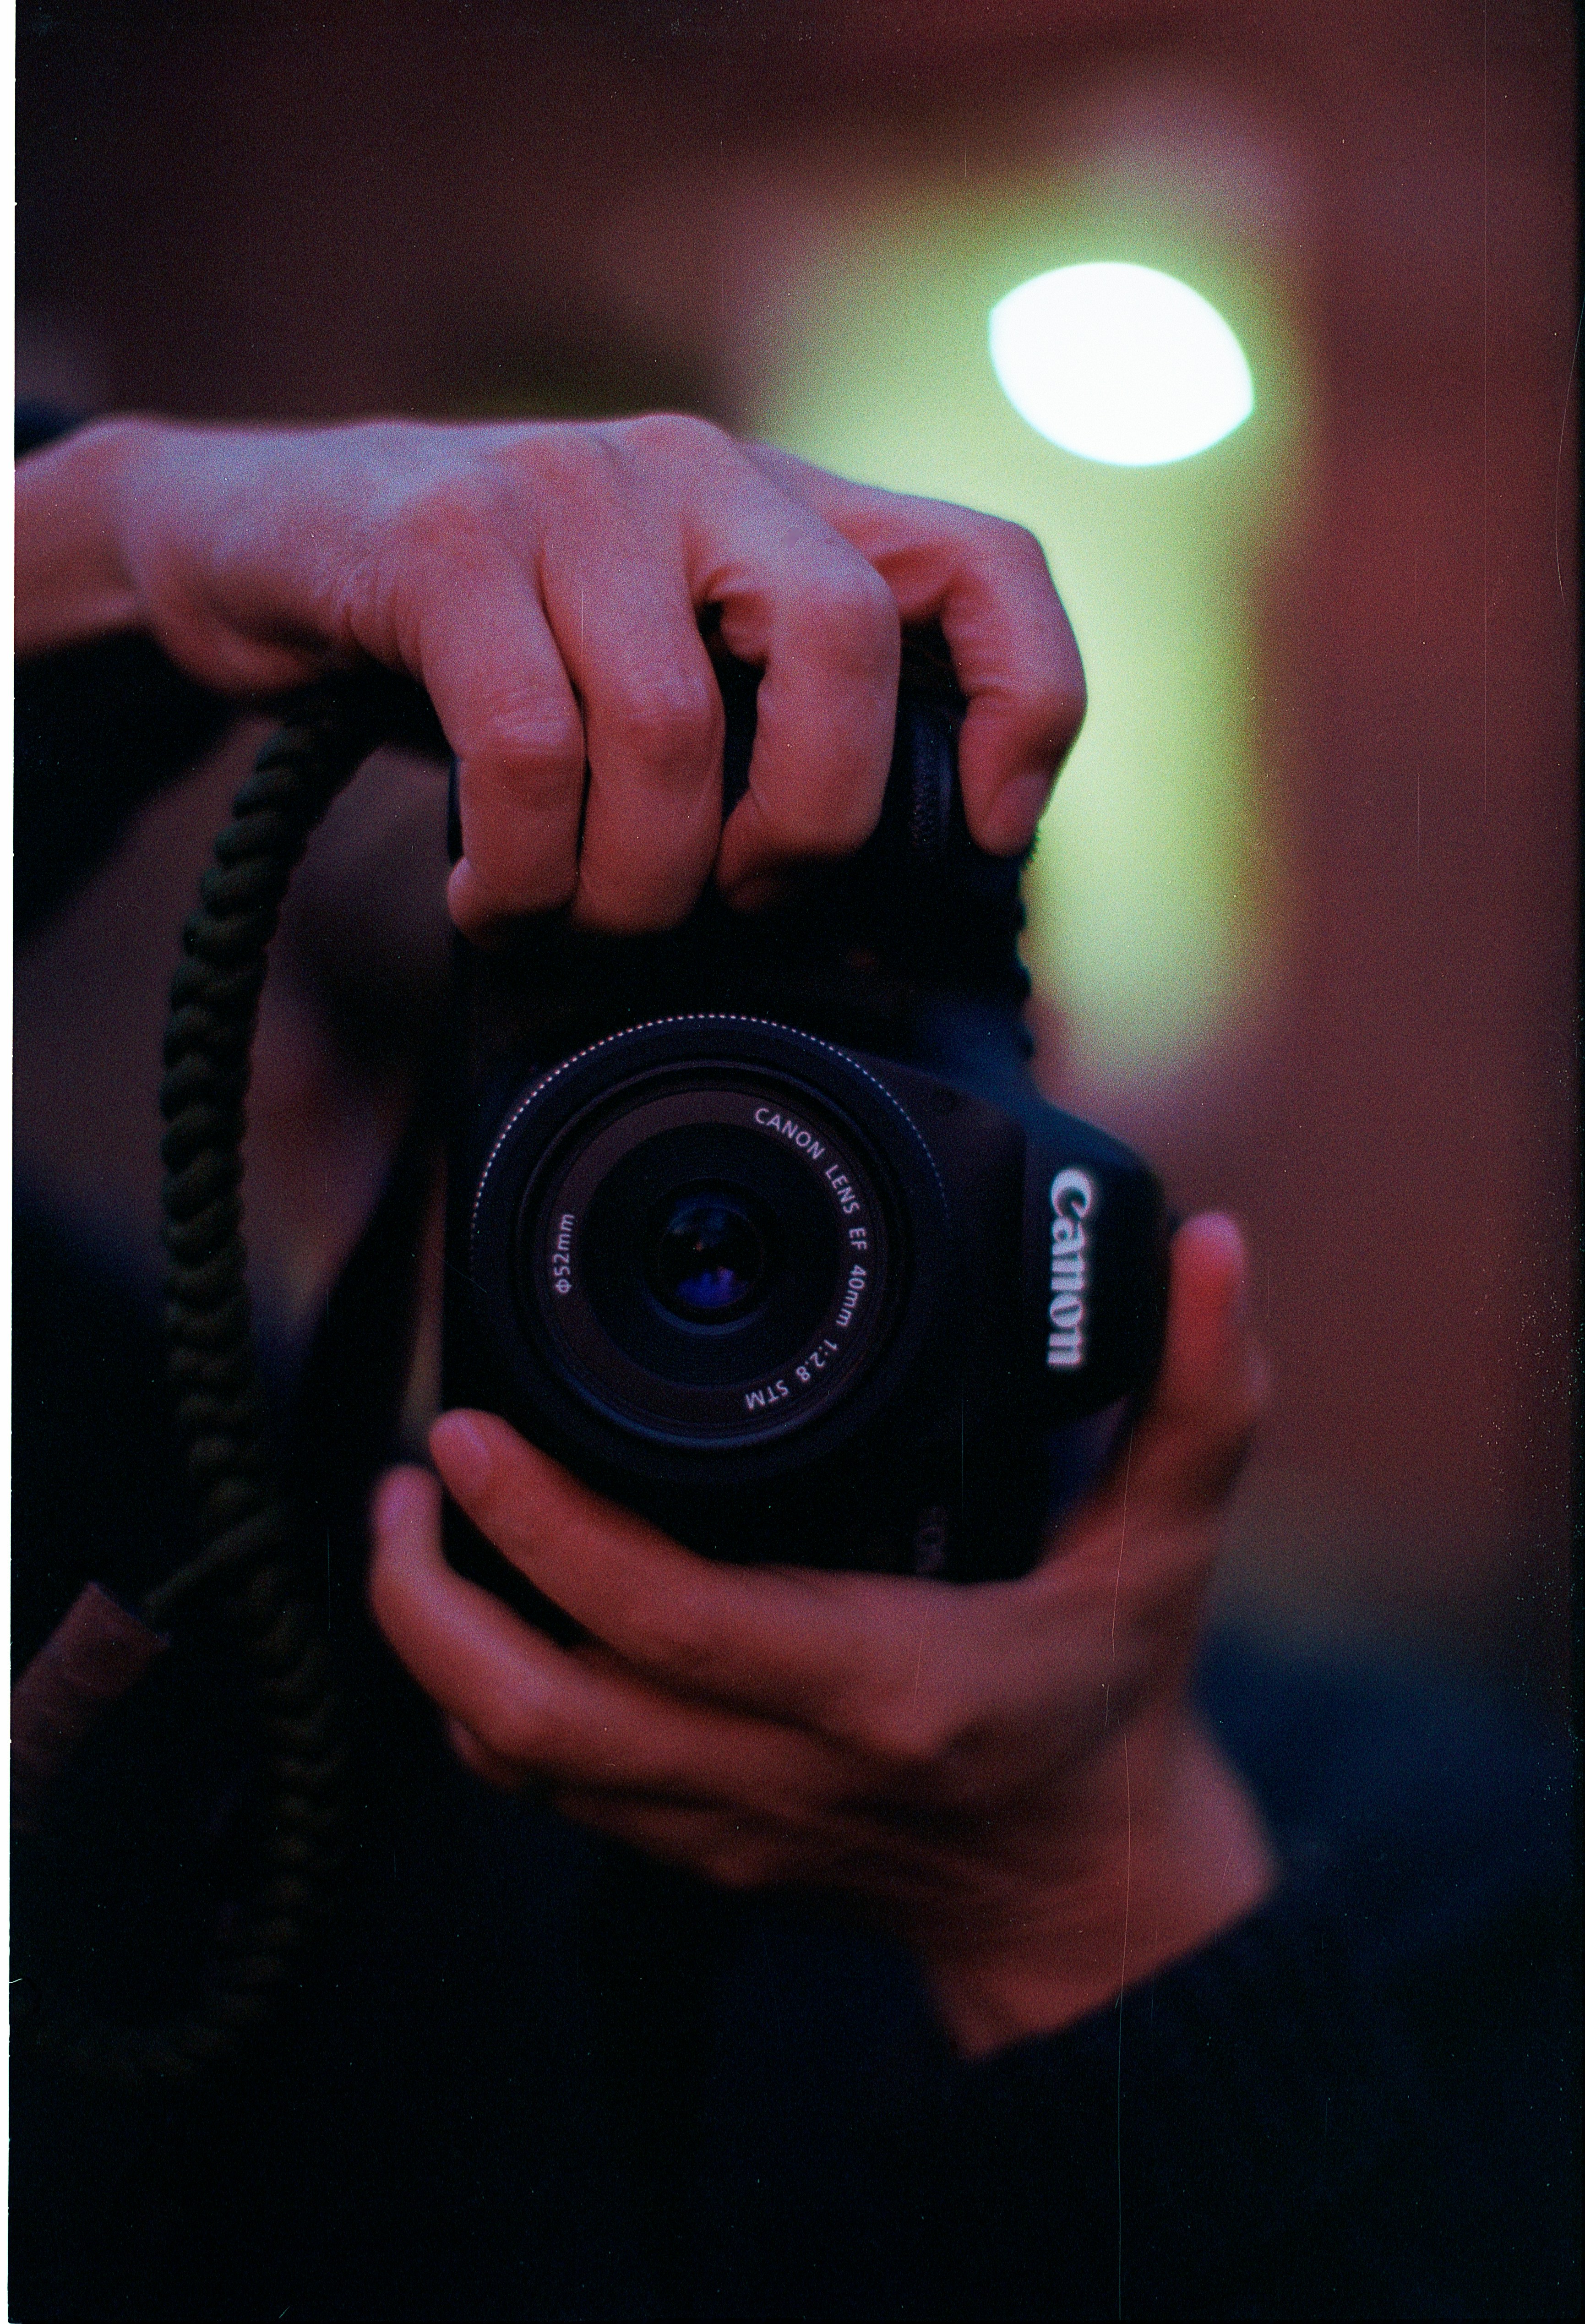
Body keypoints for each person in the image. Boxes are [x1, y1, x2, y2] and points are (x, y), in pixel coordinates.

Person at [11, 410, 1576, 2319]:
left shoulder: (1454, 1861)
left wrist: (1090, 1907)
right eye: (553, 1091)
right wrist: (102, 543)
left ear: (1035, 1104)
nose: (716, 1191)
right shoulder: (106, 1572)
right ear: (303, 1129)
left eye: (842, 1077)